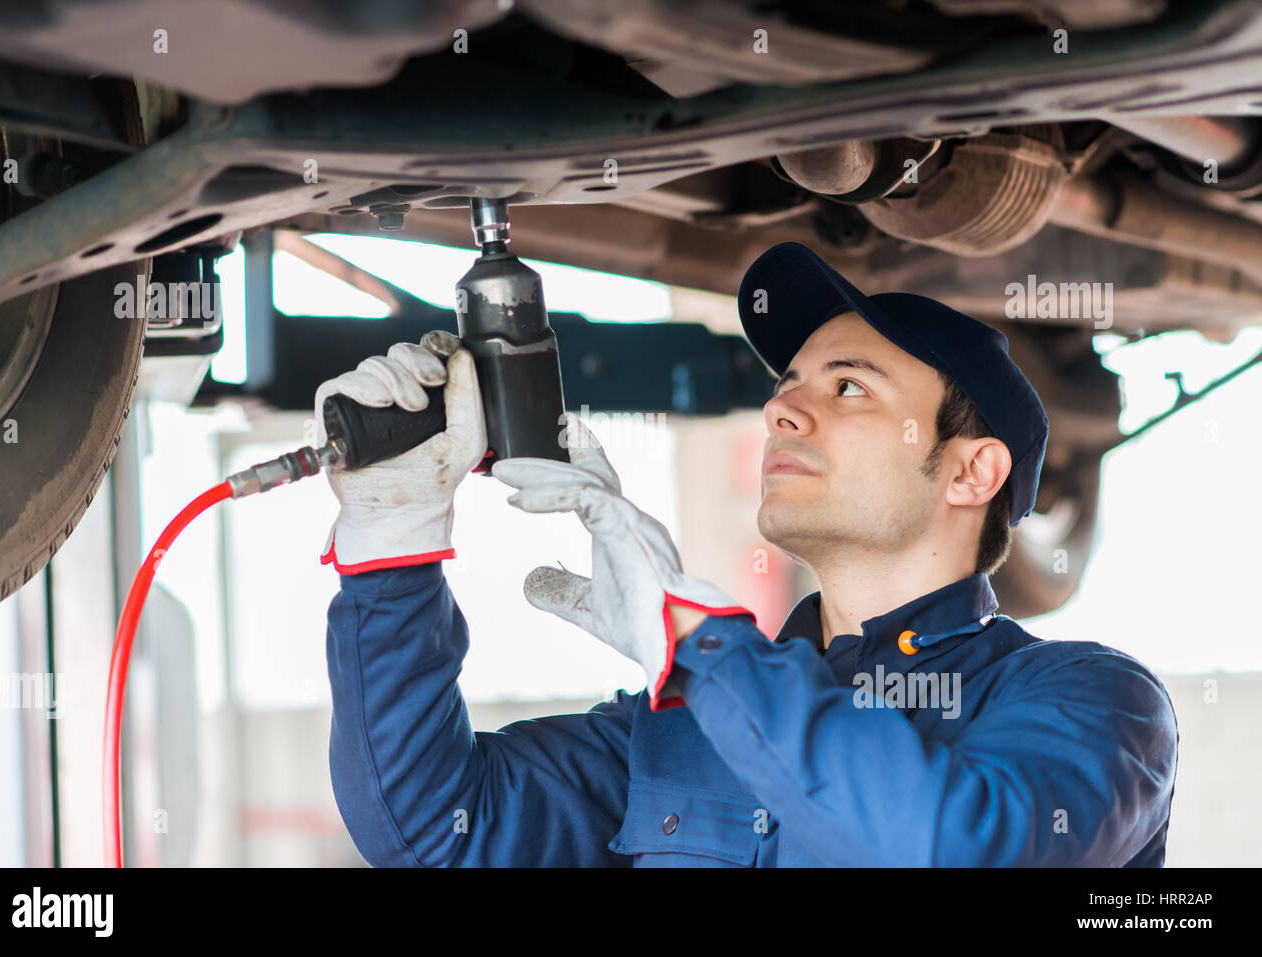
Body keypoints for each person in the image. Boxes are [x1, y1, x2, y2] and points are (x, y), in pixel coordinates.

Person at [316, 242, 1178, 867]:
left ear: (970, 470)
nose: (782, 413)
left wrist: (696, 641)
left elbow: (952, 847)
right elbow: (431, 826)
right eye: (785, 388)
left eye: (848, 386)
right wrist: (392, 547)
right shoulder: (685, 715)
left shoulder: (1097, 702)